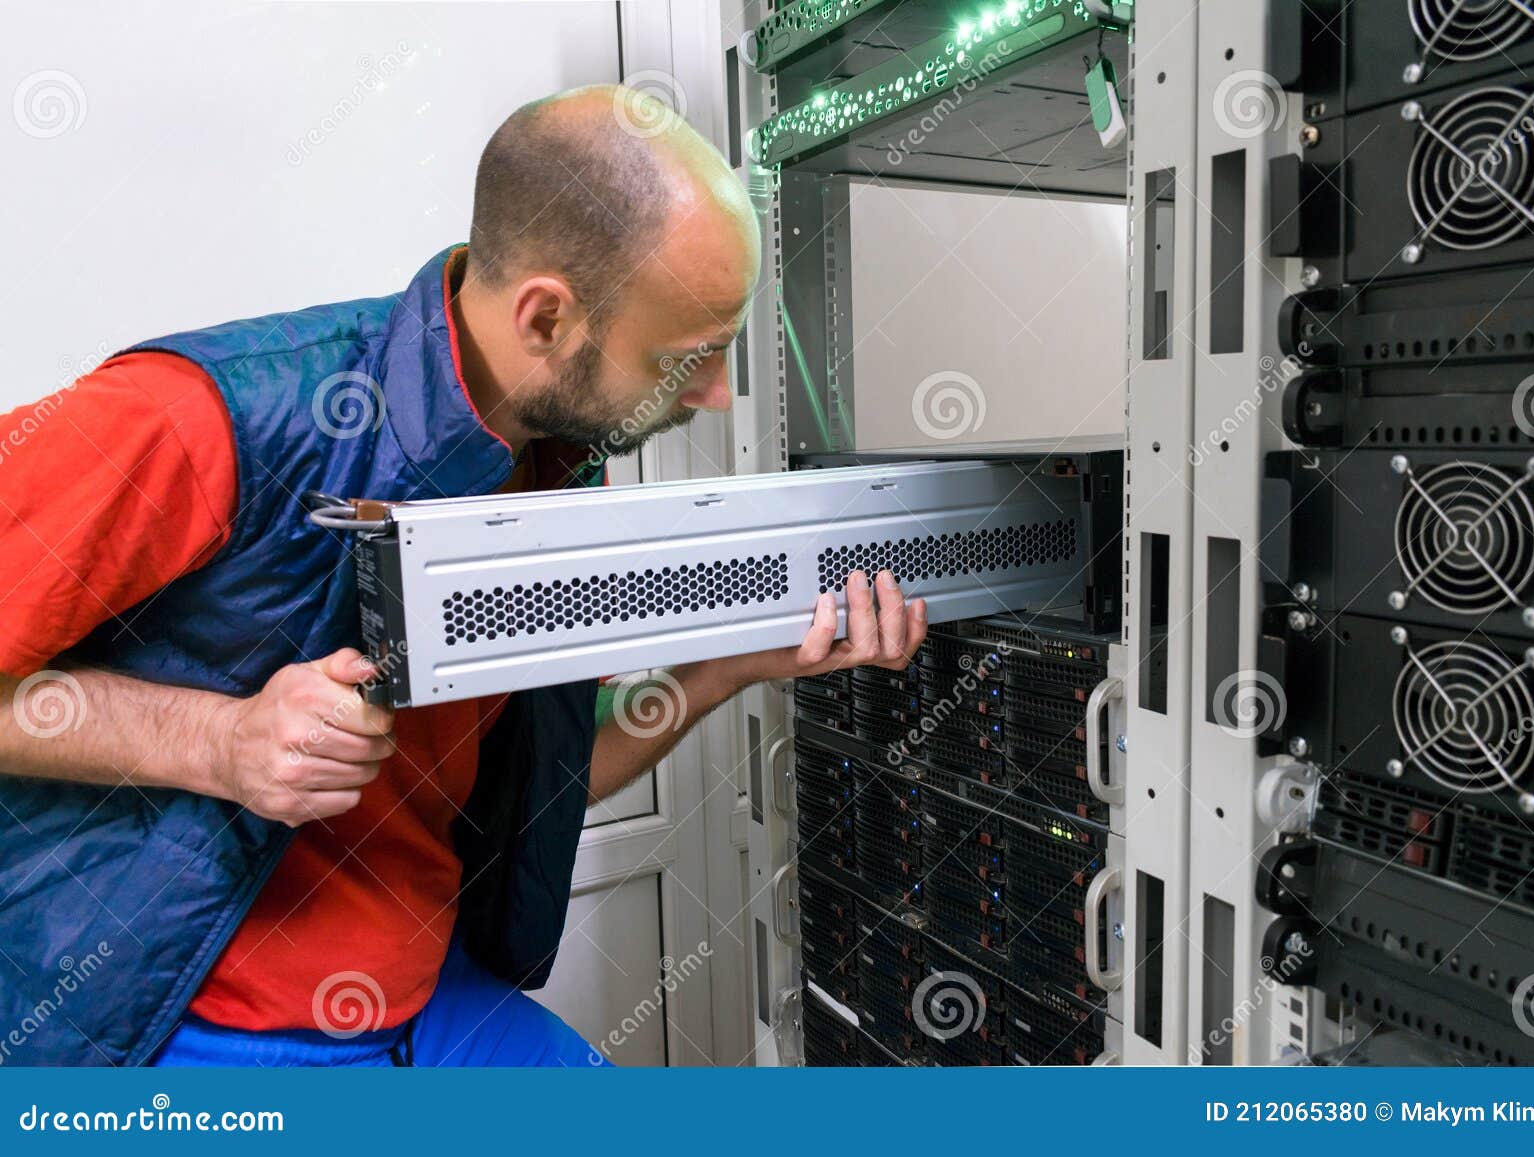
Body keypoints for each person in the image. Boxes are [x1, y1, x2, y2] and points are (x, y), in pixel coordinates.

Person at [0, 84, 927, 1067]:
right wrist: (221, 741)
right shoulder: (194, 419)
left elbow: (545, 779)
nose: (714, 394)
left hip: (418, 992)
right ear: (546, 317)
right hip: (185, 1015)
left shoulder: (553, 458)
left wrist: (731, 665)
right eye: (683, 359)